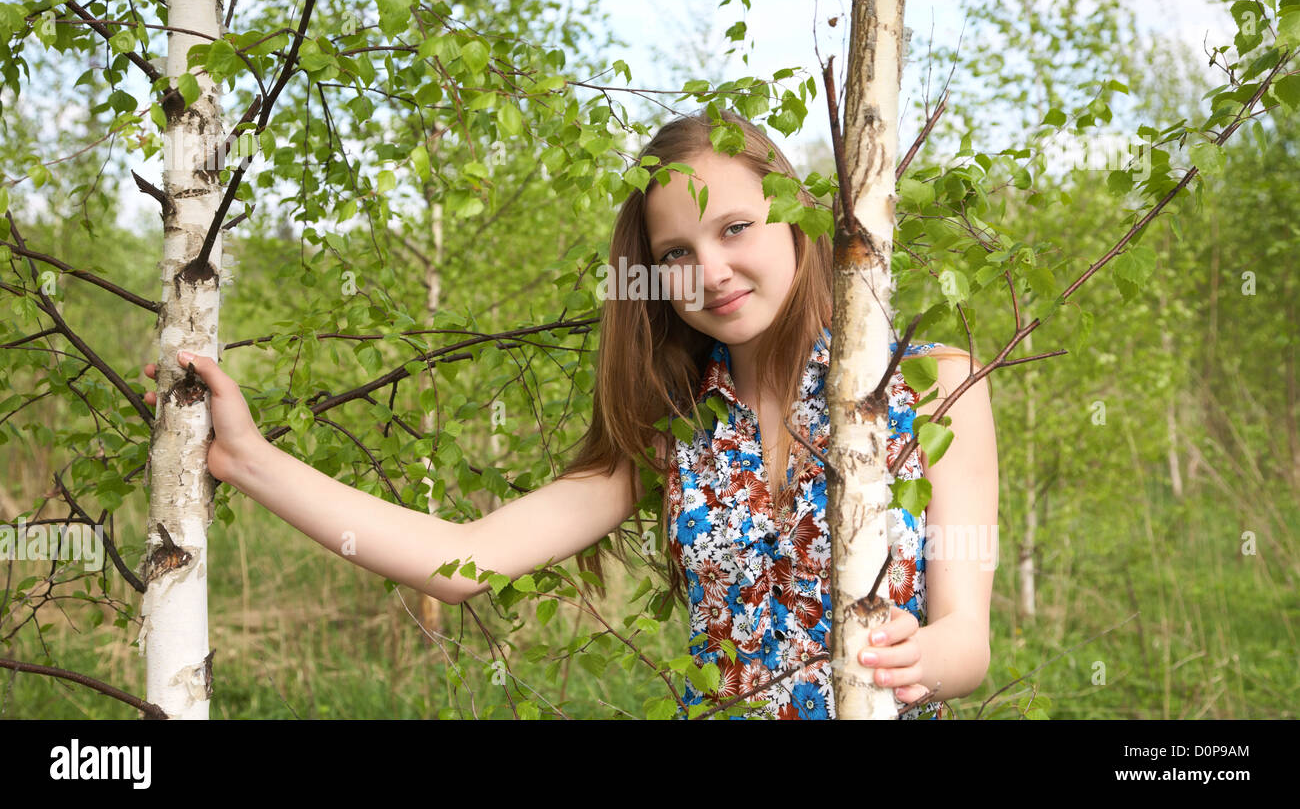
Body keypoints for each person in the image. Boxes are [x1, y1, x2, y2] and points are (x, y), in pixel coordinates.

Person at [142, 109, 999, 720]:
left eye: (736, 227)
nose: (711, 271)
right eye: (676, 253)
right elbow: (460, 560)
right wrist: (249, 458)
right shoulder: (673, 426)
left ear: (799, 223)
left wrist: (920, 656)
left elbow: (970, 641)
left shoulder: (933, 387)